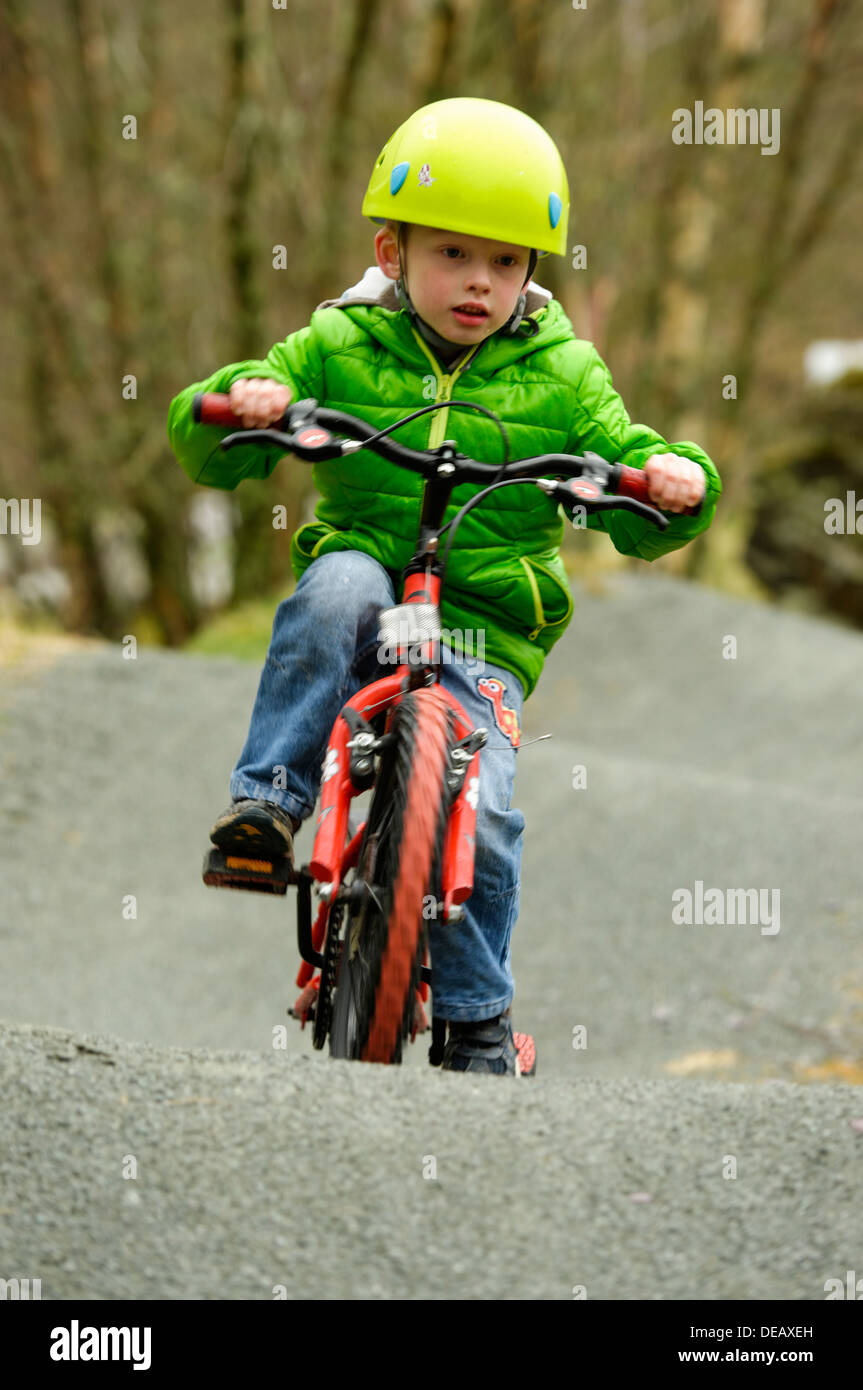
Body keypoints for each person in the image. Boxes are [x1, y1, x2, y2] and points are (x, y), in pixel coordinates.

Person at [167, 97, 721, 1075]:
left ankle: (475, 1020)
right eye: (453, 254)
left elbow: (629, 460)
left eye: (504, 263)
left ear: (530, 275)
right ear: (390, 251)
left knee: (488, 805)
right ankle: (265, 804)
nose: (478, 282)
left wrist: (673, 477)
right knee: (331, 594)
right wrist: (243, 401)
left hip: (480, 627)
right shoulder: (339, 344)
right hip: (369, 579)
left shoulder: (563, 371)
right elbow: (215, 437)